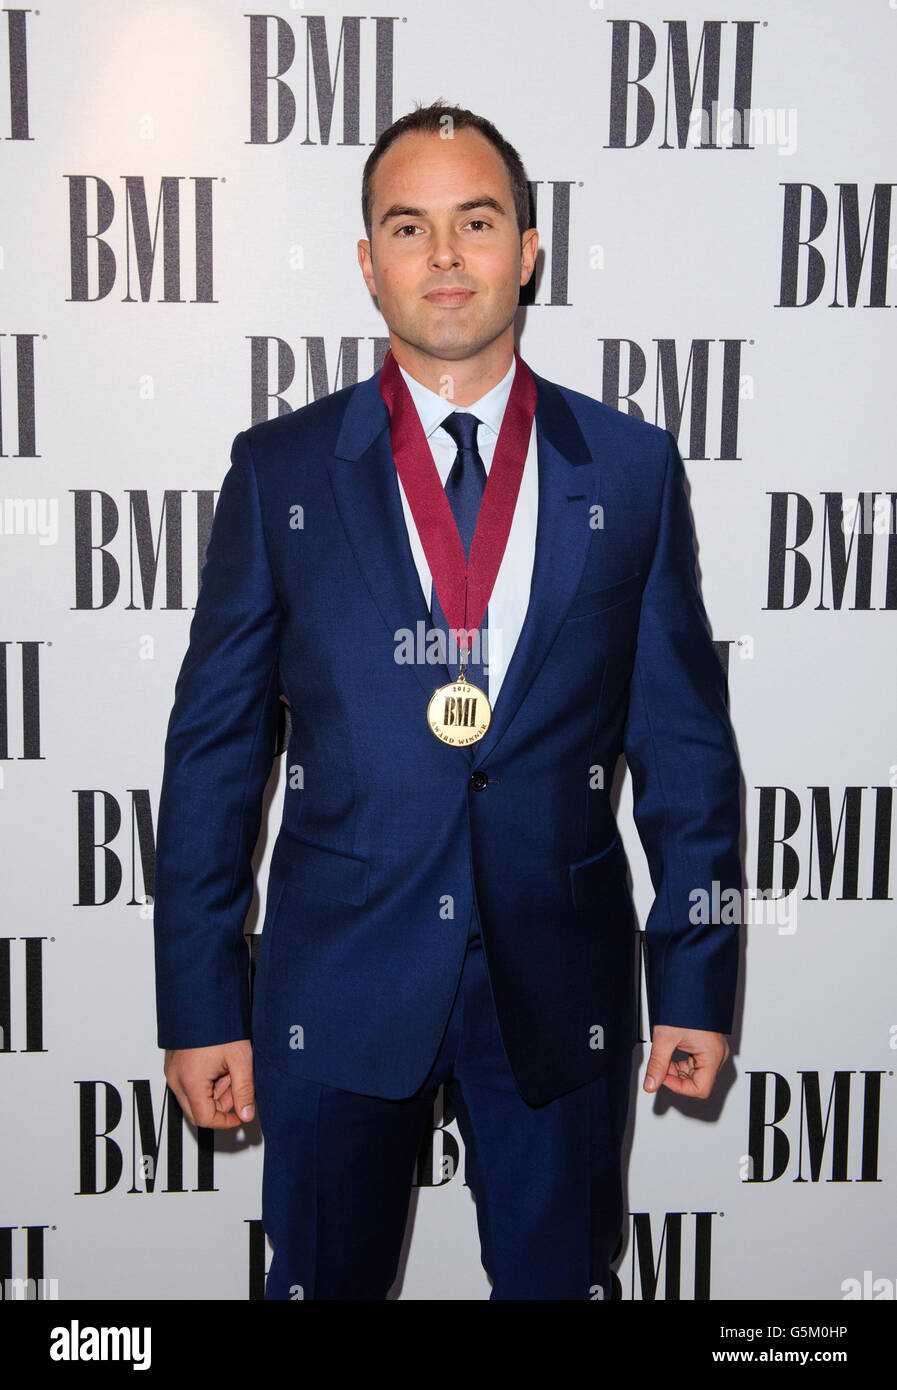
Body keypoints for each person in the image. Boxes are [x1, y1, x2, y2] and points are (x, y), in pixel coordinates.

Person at [153, 102, 743, 1300]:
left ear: (529, 247)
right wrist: (201, 1000)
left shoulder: (628, 470)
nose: (444, 256)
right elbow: (213, 757)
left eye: (476, 222)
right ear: (368, 262)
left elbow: (683, 744)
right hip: (335, 986)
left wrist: (694, 974)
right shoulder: (279, 473)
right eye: (408, 227)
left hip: (561, 985)